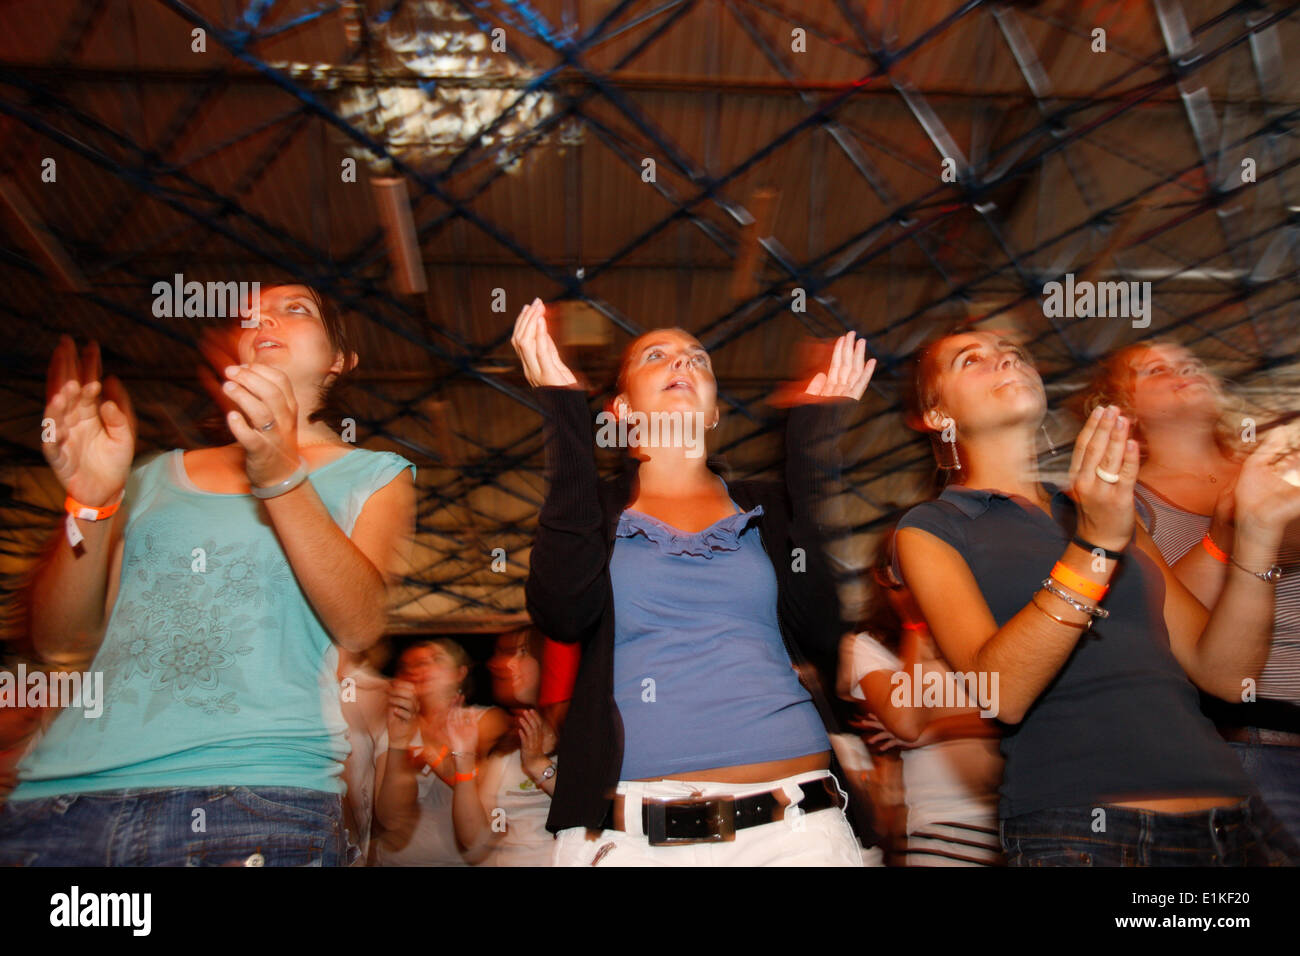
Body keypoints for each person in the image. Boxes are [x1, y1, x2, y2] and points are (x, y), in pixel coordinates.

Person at [0, 283, 416, 866]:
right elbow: (60, 639)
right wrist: (91, 503)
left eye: (295, 309)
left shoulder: (373, 474)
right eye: (252, 314)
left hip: (251, 801)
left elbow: (360, 622)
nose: (264, 316)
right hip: (64, 802)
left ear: (339, 362)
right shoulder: (153, 474)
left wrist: (280, 471)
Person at [894, 327, 1300, 866]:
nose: (1006, 360)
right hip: (1088, 831)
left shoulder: (1103, 505)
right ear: (936, 413)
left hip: (1236, 821)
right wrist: (1094, 546)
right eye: (973, 360)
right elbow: (1003, 693)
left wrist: (1256, 532)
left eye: (1014, 353)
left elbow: (1224, 673)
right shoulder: (933, 527)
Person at [513, 296, 874, 866]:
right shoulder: (596, 511)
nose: (683, 363)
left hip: (797, 832)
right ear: (623, 408)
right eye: (657, 355)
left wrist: (809, 449)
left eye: (698, 359)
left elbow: (821, 627)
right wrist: (563, 414)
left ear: (711, 413)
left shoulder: (766, 508)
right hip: (631, 837)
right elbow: (561, 609)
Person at [1080, 340, 1300, 844]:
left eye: (1191, 363)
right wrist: (1230, 534)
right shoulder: (1123, 502)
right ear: (1125, 409)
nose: (1182, 372)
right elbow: (1155, 622)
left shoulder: (1276, 467)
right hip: (1242, 741)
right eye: (1156, 370)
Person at [839, 531, 1004, 866]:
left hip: (1011, 816)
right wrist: (916, 623)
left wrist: (938, 730)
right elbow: (906, 723)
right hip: (940, 825)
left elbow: (1009, 712)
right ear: (887, 577)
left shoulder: (981, 631)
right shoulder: (870, 647)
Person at [371, 638, 508, 865]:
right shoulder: (394, 727)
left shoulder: (486, 721)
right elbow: (389, 817)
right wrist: (398, 743)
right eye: (410, 665)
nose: (421, 668)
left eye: (435, 659)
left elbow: (484, 791)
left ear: (460, 673)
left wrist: (433, 755)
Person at [442, 628, 561, 866]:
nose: (509, 664)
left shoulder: (581, 737)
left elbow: (590, 813)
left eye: (523, 653)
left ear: (550, 661)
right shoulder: (507, 746)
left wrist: (539, 765)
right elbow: (474, 840)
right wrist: (464, 758)